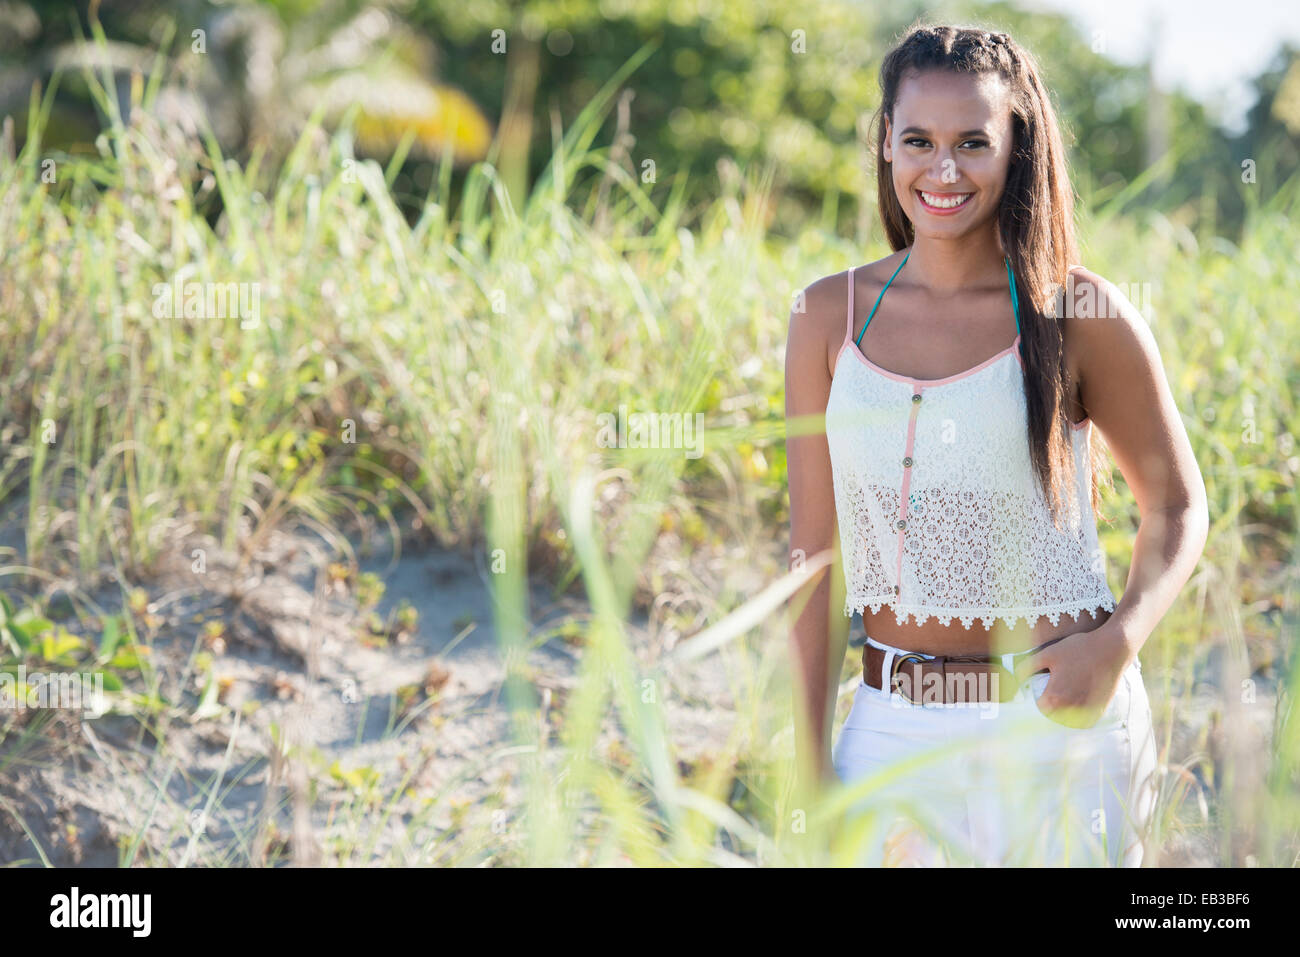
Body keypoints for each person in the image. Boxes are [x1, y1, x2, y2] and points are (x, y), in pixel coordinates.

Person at [784, 23, 1208, 866]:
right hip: (889, 727)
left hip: (1060, 726)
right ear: (886, 145)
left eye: (973, 142)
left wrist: (1117, 641)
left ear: (1018, 146)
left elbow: (1177, 504)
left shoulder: (1080, 311)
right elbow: (813, 555)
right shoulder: (825, 315)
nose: (943, 170)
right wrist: (806, 761)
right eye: (919, 141)